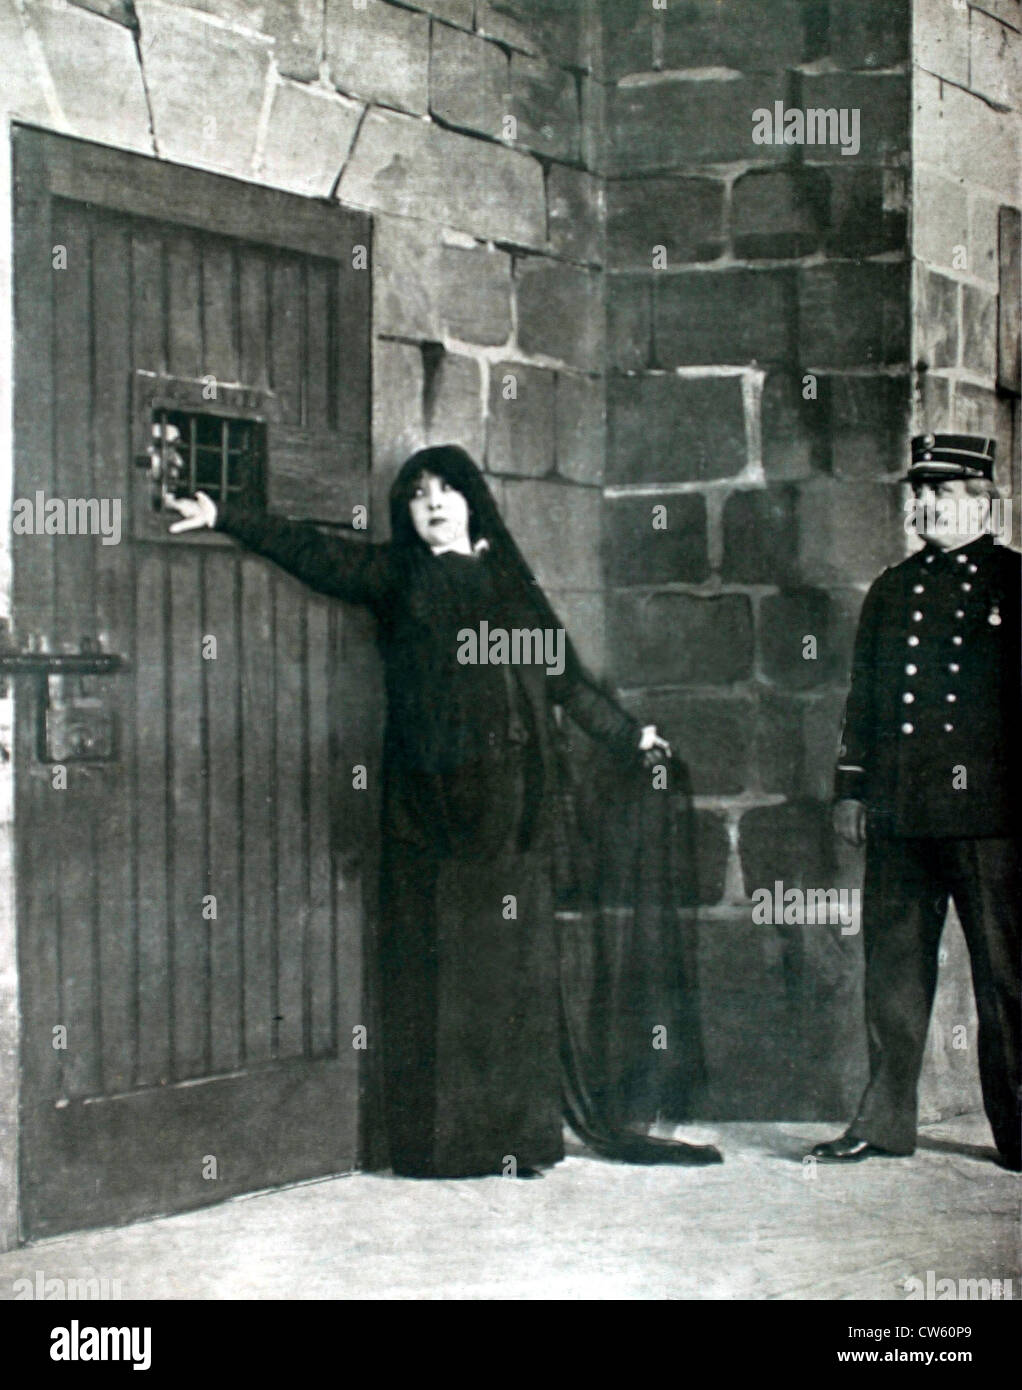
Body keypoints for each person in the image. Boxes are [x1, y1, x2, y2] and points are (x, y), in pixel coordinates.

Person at [169, 444, 721, 1178]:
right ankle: (448, 1148)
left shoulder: (506, 586)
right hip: (437, 824)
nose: (431, 502)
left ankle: (520, 1140)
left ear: (470, 500)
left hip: (515, 821)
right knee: (443, 987)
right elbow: (315, 554)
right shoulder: (399, 576)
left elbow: (566, 684)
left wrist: (631, 735)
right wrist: (226, 515)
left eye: (445, 490)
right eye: (416, 494)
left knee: (515, 988)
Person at [810, 434, 1020, 1170]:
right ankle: (883, 1122)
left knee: (1007, 978)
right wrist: (851, 789)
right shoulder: (893, 588)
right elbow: (862, 700)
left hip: (992, 819)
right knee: (892, 973)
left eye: (940, 493)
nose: (924, 505)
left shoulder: (1014, 584)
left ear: (983, 502)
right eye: (919, 493)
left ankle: (1020, 1129)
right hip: (900, 813)